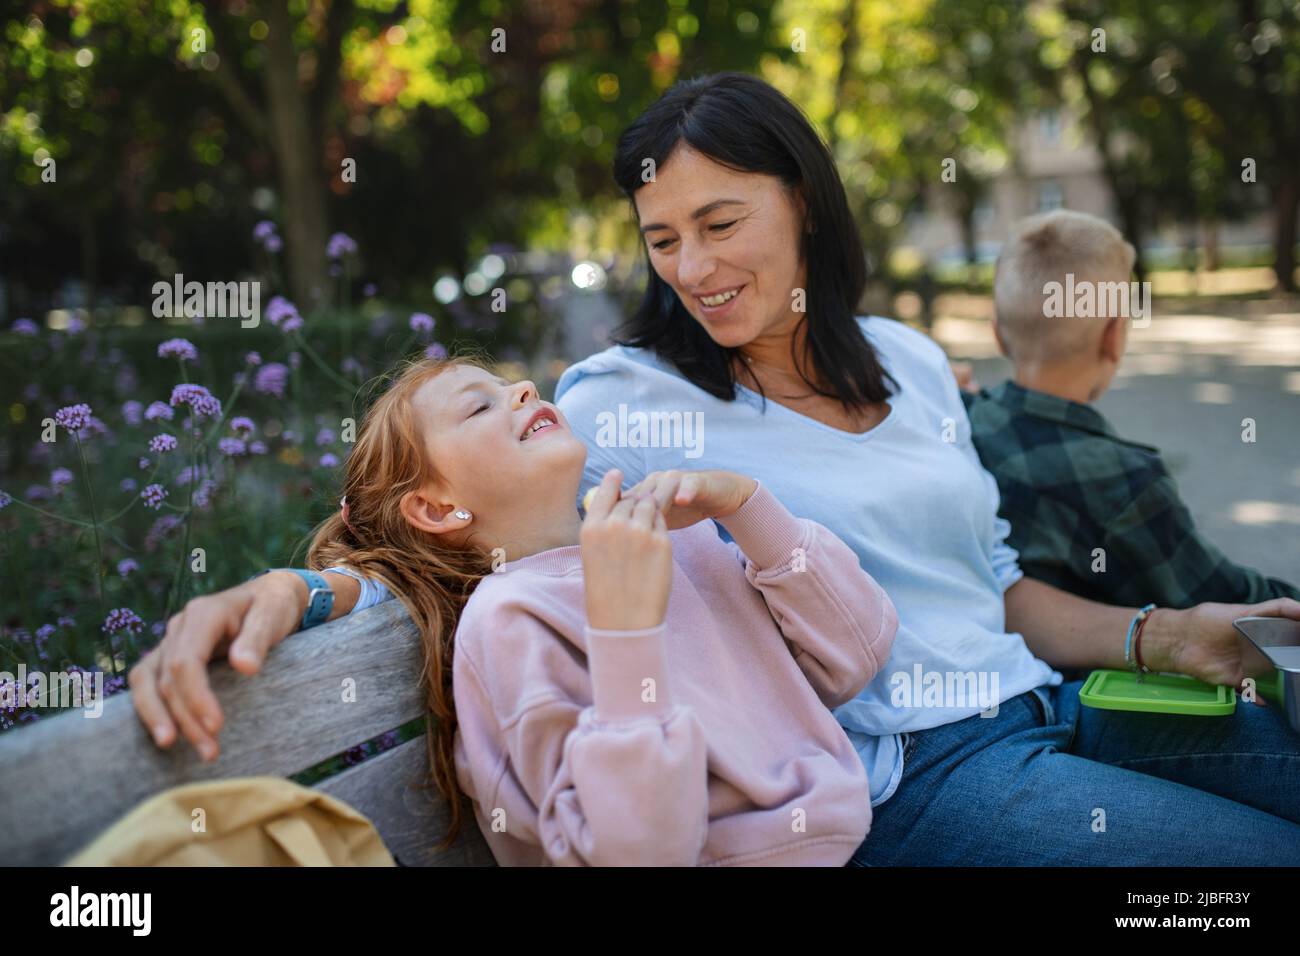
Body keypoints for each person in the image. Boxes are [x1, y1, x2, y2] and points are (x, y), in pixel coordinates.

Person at [133, 72, 1300, 864]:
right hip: (913, 777)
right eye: (661, 237)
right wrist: (294, 590)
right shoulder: (626, 400)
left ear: (803, 202)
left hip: (1055, 705)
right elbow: (480, 536)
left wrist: (1155, 630)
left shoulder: (906, 358)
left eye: (722, 222)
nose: (692, 265)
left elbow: (989, 583)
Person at [133, 354, 899, 866]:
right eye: (480, 405)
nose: (524, 390)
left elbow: (852, 659)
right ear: (436, 507)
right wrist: (625, 631)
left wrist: (751, 508)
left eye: (512, 383)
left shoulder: (674, 537)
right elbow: (632, 852)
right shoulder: (510, 620)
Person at [962, 209, 1299, 609]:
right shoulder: (1127, 484)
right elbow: (1234, 603)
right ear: (1114, 335)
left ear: (998, 333)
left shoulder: (959, 421)